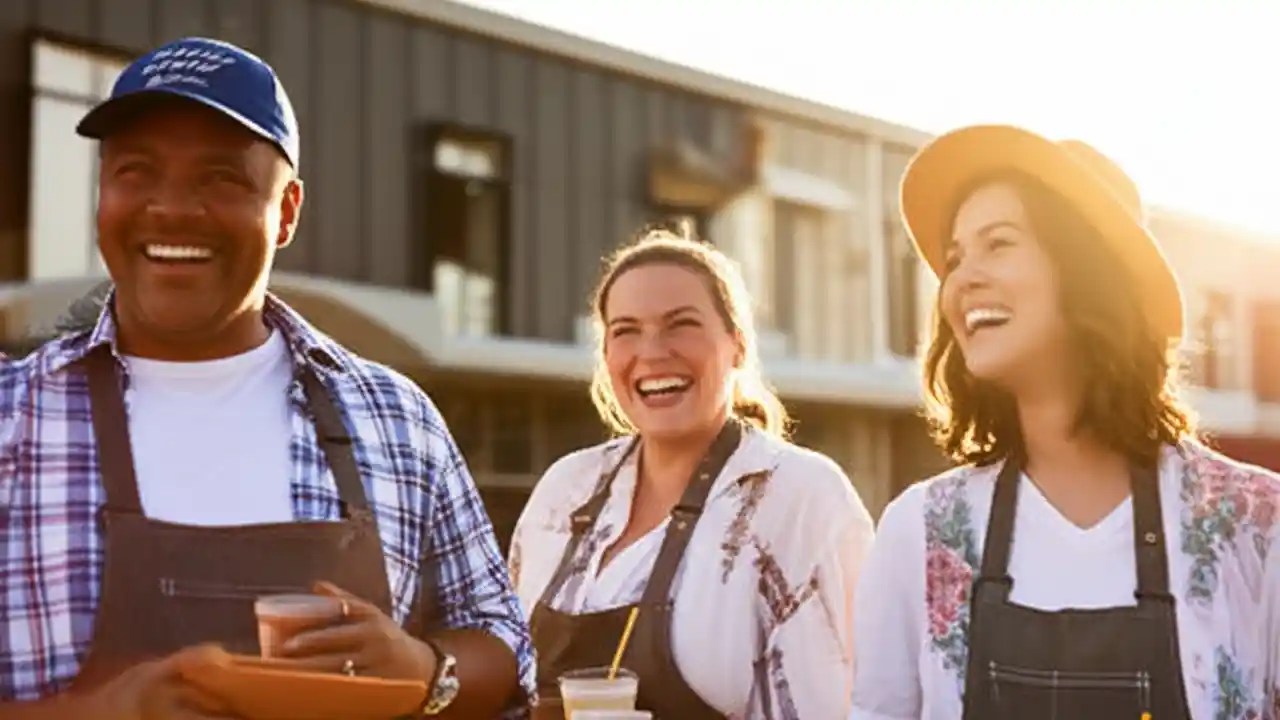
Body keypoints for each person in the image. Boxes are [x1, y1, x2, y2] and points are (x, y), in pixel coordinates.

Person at [0, 37, 534, 718]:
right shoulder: (12, 416)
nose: (171, 209)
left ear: (286, 212)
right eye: (136, 172)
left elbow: (508, 646)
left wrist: (426, 671)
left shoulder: (397, 419)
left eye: (220, 179)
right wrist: (91, 713)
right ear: (102, 194)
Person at [849, 124, 1280, 719]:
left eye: (998, 243)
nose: (961, 279)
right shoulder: (921, 534)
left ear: (1088, 271)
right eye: (954, 258)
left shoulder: (1256, 529)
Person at [509, 224, 875, 719]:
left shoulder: (798, 497)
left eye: (681, 324)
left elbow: (843, 708)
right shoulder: (566, 490)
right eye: (626, 331)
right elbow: (509, 677)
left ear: (737, 345)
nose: (653, 351)